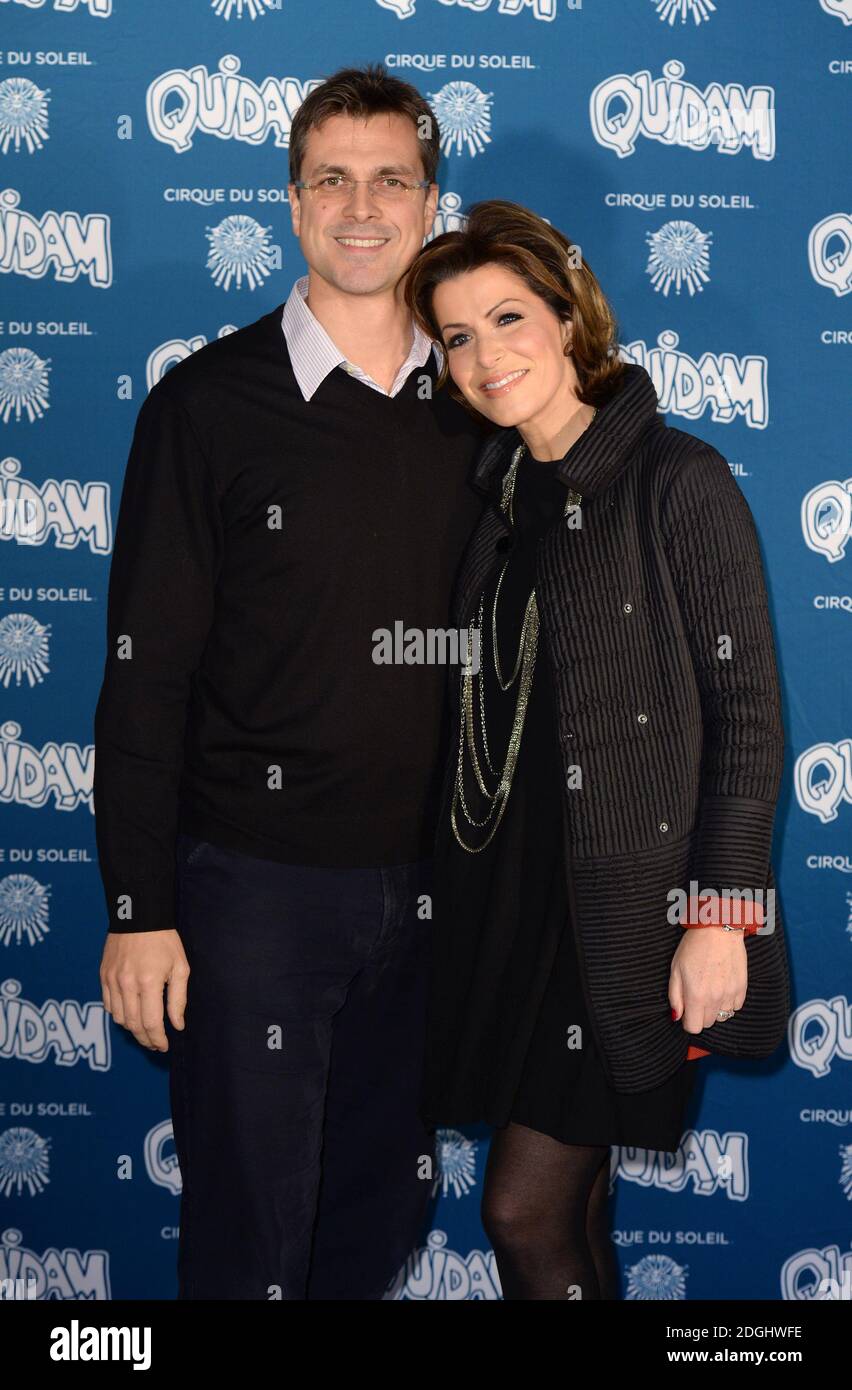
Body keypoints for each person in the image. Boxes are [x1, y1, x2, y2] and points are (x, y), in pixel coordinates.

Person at [93, 64, 488, 1300]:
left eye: (391, 180)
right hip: (250, 896)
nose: (361, 206)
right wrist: (136, 908)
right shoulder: (205, 405)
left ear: (432, 202)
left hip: (438, 895)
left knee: (376, 1226)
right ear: (291, 199)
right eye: (333, 179)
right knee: (246, 1238)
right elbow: (143, 676)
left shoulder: (490, 400)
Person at [404, 199, 791, 1301]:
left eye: (508, 317)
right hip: (510, 903)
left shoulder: (679, 478)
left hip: (621, 911)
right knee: (575, 1208)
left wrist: (719, 917)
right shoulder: (497, 499)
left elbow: (748, 715)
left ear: (570, 319)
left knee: (521, 1213)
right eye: (458, 336)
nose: (484, 355)